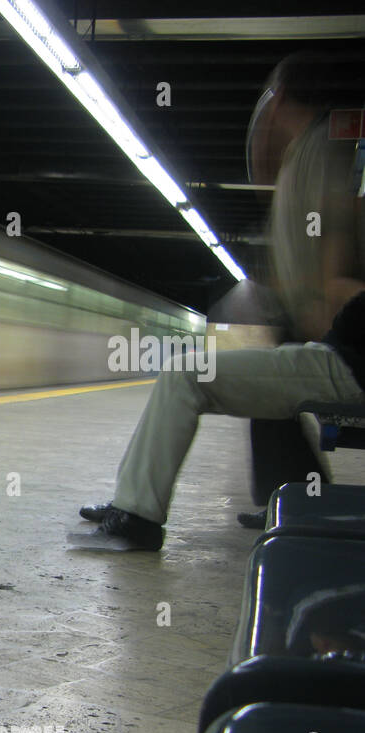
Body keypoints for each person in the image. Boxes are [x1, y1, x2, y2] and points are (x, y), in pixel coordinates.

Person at [77, 52, 365, 550]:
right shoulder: (312, 150)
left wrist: (326, 296)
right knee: (270, 393)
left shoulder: (325, 145)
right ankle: (291, 496)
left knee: (184, 373)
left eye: (270, 95)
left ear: (281, 98)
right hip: (341, 347)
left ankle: (137, 515)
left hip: (349, 357)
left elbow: (335, 240)